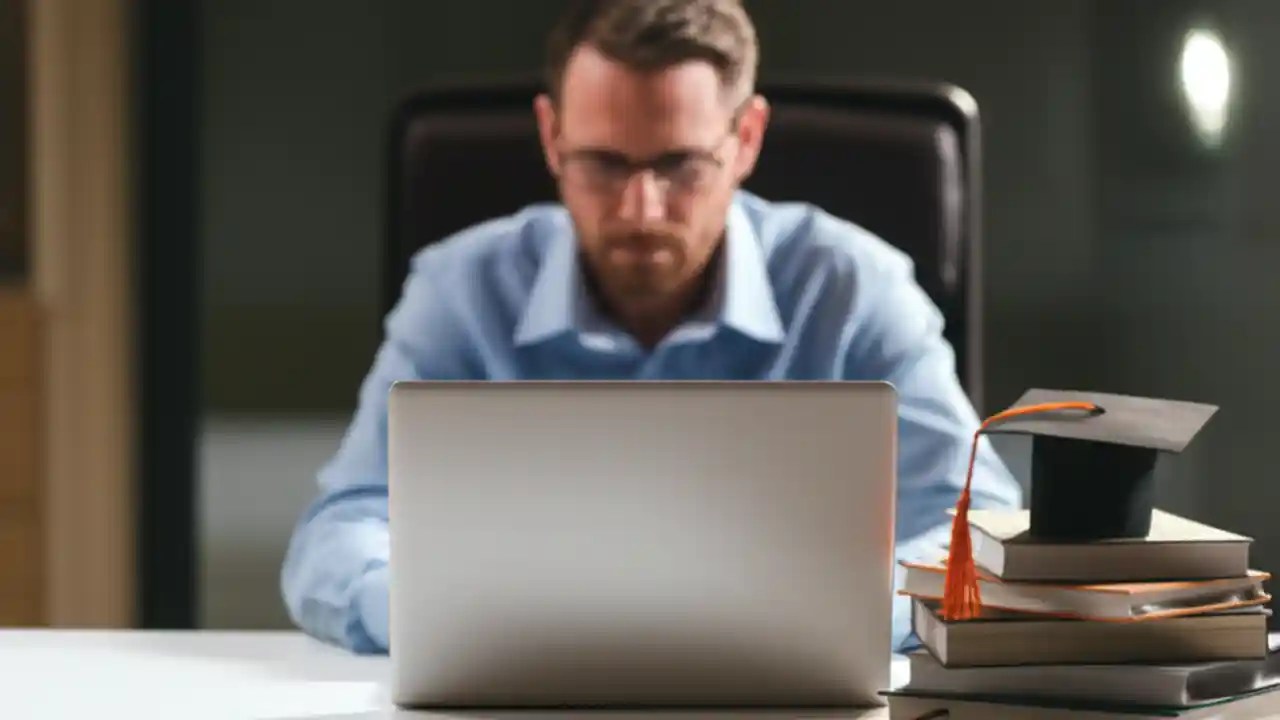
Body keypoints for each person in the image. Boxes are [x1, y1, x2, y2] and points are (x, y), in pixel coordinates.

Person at [280, 0, 1020, 655]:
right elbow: (338, 531)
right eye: (602, 164)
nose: (641, 209)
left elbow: (981, 528)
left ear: (747, 139)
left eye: (680, 165)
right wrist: (436, 615)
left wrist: (832, 620)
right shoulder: (461, 290)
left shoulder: (851, 289)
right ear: (551, 137)